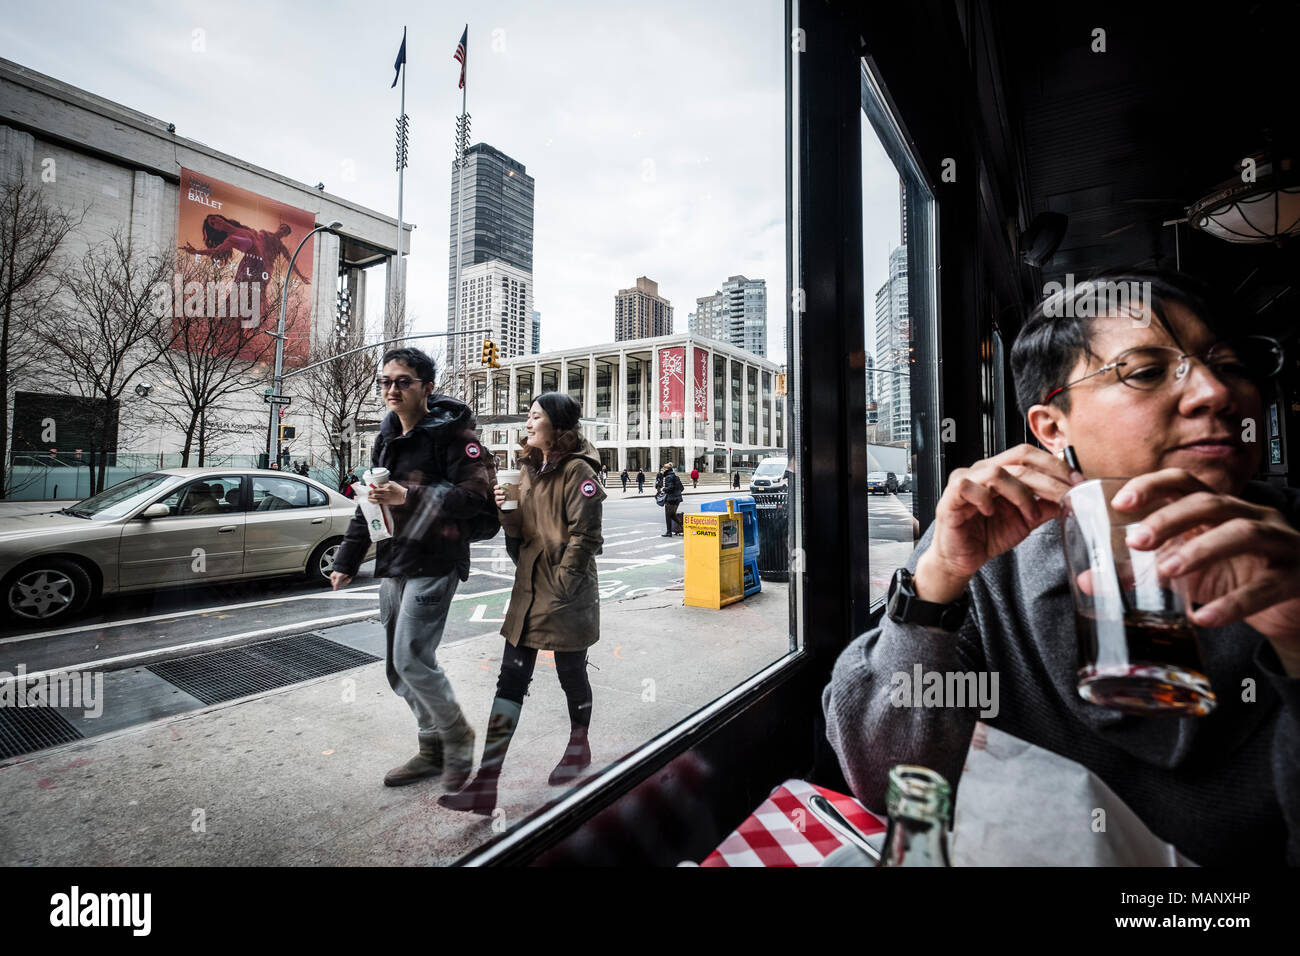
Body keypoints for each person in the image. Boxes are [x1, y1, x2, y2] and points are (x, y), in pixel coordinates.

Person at [823, 270, 1300, 866]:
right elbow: (890, 778)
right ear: (1052, 427)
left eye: (1229, 365)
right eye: (1148, 371)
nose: (1216, 392)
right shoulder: (987, 556)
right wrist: (934, 584)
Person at [331, 347, 495, 789]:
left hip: (437, 559)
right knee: (396, 666)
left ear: (427, 387)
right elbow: (369, 503)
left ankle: (456, 738)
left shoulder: (456, 436)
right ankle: (432, 749)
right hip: (394, 560)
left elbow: (474, 498)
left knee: (411, 658)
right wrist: (347, 560)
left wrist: (410, 497)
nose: (391, 389)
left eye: (402, 381)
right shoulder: (385, 437)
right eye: (385, 381)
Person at [440, 392, 605, 814]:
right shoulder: (529, 468)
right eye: (529, 416)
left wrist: (565, 586)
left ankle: (578, 745)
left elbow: (586, 538)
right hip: (528, 589)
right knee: (510, 680)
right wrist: (508, 513)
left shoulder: (578, 472)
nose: (528, 423)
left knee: (571, 673)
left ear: (559, 427)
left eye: (536, 416)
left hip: (565, 593)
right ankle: (486, 782)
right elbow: (520, 539)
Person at [661, 462, 685, 536]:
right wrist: (677, 493)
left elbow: (670, 488)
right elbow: (682, 488)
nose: (662, 470)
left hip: (671, 499)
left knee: (668, 515)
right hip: (677, 499)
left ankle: (669, 532)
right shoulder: (675, 476)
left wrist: (663, 489)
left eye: (663, 469)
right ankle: (683, 527)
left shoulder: (668, 477)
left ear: (666, 469)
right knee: (672, 515)